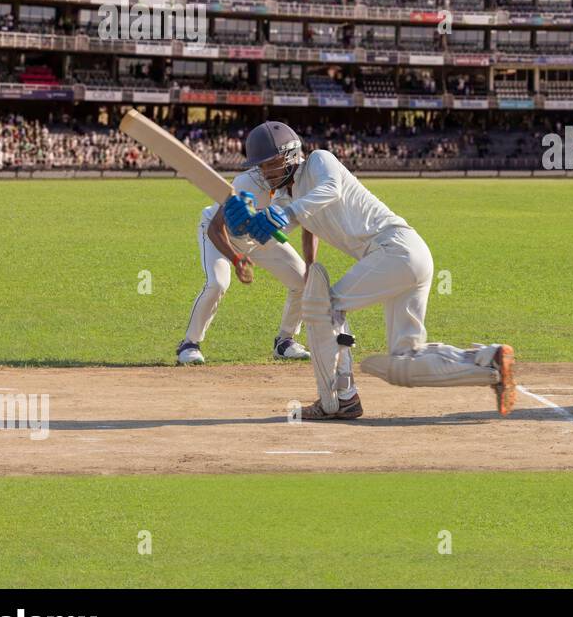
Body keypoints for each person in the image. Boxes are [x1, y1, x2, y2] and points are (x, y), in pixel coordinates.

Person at [224, 121, 515, 419]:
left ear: (290, 155)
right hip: (402, 256)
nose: (264, 173)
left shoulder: (319, 160)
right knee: (405, 359)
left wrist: (283, 214)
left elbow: (330, 190)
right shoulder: (287, 198)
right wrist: (245, 227)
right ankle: (490, 362)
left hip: (395, 249)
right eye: (260, 168)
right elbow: (272, 231)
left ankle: (340, 399)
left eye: (269, 164)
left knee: (324, 307)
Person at [176, 172, 311, 366]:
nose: (266, 168)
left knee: (302, 279)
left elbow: (310, 227)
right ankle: (189, 344)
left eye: (271, 162)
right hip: (221, 234)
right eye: (263, 162)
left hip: (259, 238)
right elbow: (215, 227)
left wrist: (311, 262)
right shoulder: (248, 181)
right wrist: (236, 258)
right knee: (218, 283)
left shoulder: (304, 187)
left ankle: (285, 342)